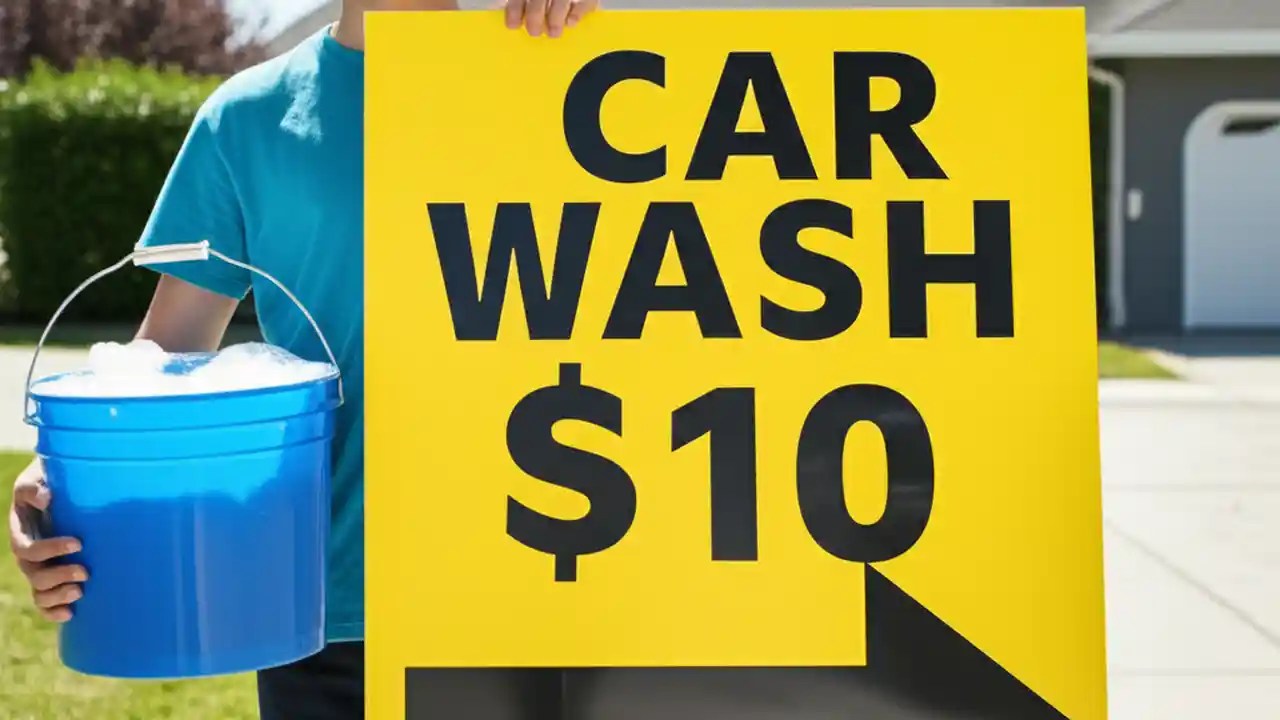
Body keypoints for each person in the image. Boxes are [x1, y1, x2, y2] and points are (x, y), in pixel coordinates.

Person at [6, 1, 599, 718]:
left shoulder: (574, 78)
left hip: (550, 596)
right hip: (331, 611)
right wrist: (66, 468)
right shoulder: (248, 119)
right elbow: (164, 351)